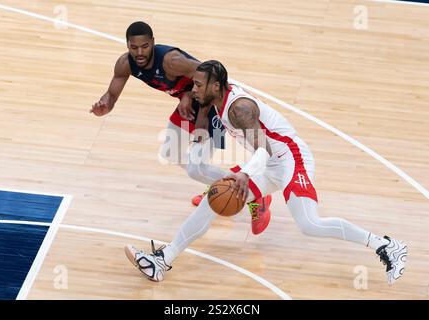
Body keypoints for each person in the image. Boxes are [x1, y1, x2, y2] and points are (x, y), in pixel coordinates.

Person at [125, 60, 408, 285]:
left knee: (309, 223)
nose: (194, 90)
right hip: (271, 162)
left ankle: (386, 245)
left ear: (216, 85)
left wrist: (245, 174)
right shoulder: (218, 101)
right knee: (214, 199)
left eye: (198, 85)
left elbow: (264, 150)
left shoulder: (239, 109)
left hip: (290, 159)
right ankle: (163, 259)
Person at [90, 22, 271, 235]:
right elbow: (111, 96)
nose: (139, 52)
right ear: (127, 45)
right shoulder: (125, 63)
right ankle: (221, 185)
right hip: (188, 105)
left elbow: (211, 75)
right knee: (170, 153)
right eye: (134, 47)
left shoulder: (171, 61)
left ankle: (255, 193)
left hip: (210, 104)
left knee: (196, 168)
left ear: (153, 43)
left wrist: (201, 114)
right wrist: (105, 105)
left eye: (145, 46)